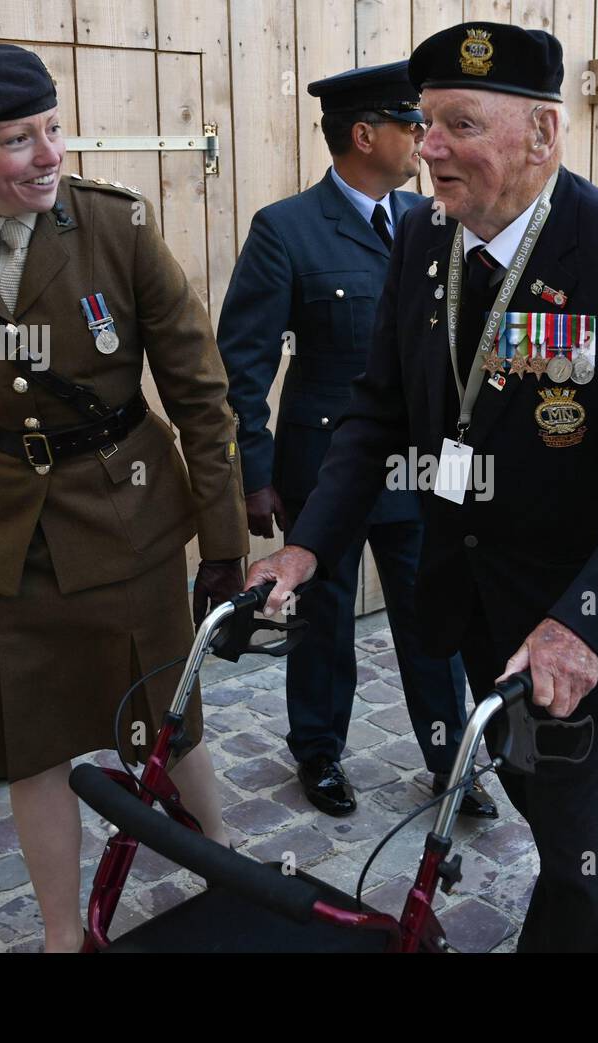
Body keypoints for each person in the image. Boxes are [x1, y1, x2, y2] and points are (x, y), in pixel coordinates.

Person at [244, 22, 598, 951]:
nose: (428, 147)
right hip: (469, 601)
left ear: (543, 137)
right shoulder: (424, 240)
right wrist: (310, 541)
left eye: (458, 124)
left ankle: (589, 893)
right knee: (534, 790)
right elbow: (377, 410)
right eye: (424, 123)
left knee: (566, 863)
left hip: (580, 625)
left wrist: (582, 623)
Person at [0, 43, 248, 951]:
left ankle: (229, 870)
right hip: (2, 537)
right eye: (16, 140)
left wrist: (226, 544)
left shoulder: (113, 227)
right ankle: (60, 937)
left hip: (126, 517)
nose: (48, 155)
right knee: (30, 743)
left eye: (51, 130)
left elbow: (199, 391)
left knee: (168, 721)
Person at [217, 61, 493, 820]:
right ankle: (318, 754)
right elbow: (243, 362)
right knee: (320, 623)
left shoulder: (434, 221)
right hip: (322, 466)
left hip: (413, 469)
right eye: (411, 126)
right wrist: (256, 471)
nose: (423, 141)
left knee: (431, 618)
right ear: (364, 134)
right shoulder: (287, 229)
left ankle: (452, 760)